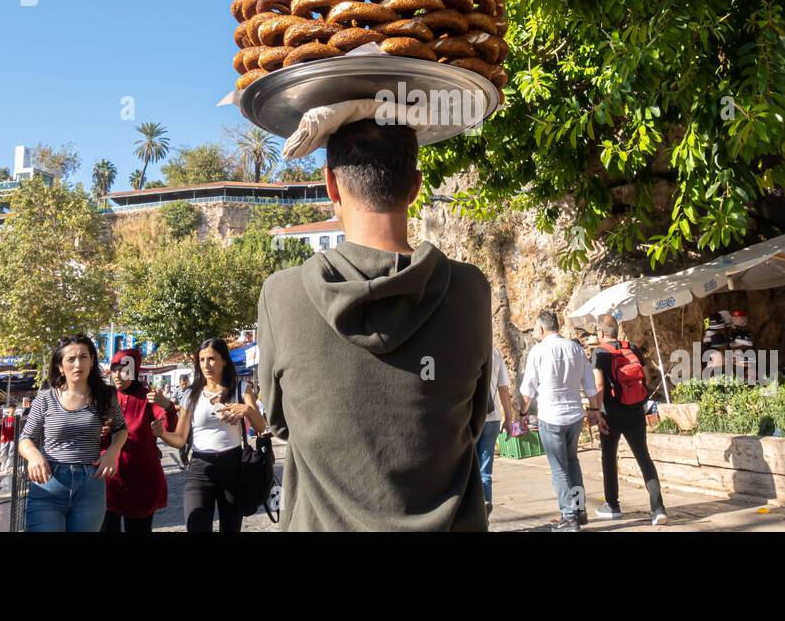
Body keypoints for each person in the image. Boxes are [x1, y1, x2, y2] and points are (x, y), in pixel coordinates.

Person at [258, 119, 492, 531]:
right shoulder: (469, 290)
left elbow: (280, 422)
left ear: (330, 184)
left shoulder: (282, 295)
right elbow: (472, 420)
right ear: (416, 185)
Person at [18, 334, 127, 532]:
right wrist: (34, 455)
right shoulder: (45, 398)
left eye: (84, 357)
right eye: (71, 359)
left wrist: (113, 452)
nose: (78, 364)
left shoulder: (106, 395)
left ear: (92, 361)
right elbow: (25, 438)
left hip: (90, 486)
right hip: (49, 483)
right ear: (60, 366)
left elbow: (121, 429)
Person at [156, 338, 266, 533]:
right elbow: (180, 438)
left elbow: (261, 426)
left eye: (212, 359)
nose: (206, 365)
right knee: (196, 525)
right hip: (200, 468)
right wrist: (162, 433)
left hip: (233, 466)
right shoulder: (191, 394)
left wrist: (247, 410)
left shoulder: (241, 389)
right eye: (201, 360)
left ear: (224, 360)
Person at [519, 311, 601, 532]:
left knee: (559, 469)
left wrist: (523, 414)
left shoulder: (538, 352)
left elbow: (527, 391)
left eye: (536, 327)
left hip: (551, 417)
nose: (536, 331)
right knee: (572, 461)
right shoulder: (575, 348)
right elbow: (590, 384)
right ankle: (580, 510)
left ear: (542, 329)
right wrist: (594, 409)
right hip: (574, 416)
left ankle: (568, 517)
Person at [591, 314, 667, 525]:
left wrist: (595, 410)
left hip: (610, 416)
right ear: (616, 332)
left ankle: (612, 505)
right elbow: (647, 377)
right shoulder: (631, 347)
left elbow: (599, 385)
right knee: (644, 458)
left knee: (609, 457)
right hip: (635, 412)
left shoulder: (598, 353)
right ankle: (658, 509)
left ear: (600, 333)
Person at [100, 348, 178, 533]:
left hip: (141, 482)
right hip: (108, 482)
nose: (117, 375)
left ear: (133, 372)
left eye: (123, 369)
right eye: (114, 369)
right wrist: (100, 431)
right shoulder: (106, 398)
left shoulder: (148, 397)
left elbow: (169, 426)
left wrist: (166, 405)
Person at [479, 345, 517, 518]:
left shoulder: (461, 346)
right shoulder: (494, 351)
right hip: (492, 417)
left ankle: (473, 516)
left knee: (466, 469)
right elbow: (503, 388)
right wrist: (508, 419)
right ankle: (484, 517)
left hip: (469, 419)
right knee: (485, 471)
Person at [174, 373, 192, 467]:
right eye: (182, 384)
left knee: (190, 442)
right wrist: (180, 407)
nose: (184, 385)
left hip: (190, 420)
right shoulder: (177, 391)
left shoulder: (191, 391)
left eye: (186, 383)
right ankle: (182, 460)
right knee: (182, 441)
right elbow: (172, 403)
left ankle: (184, 456)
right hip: (180, 420)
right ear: (179, 383)